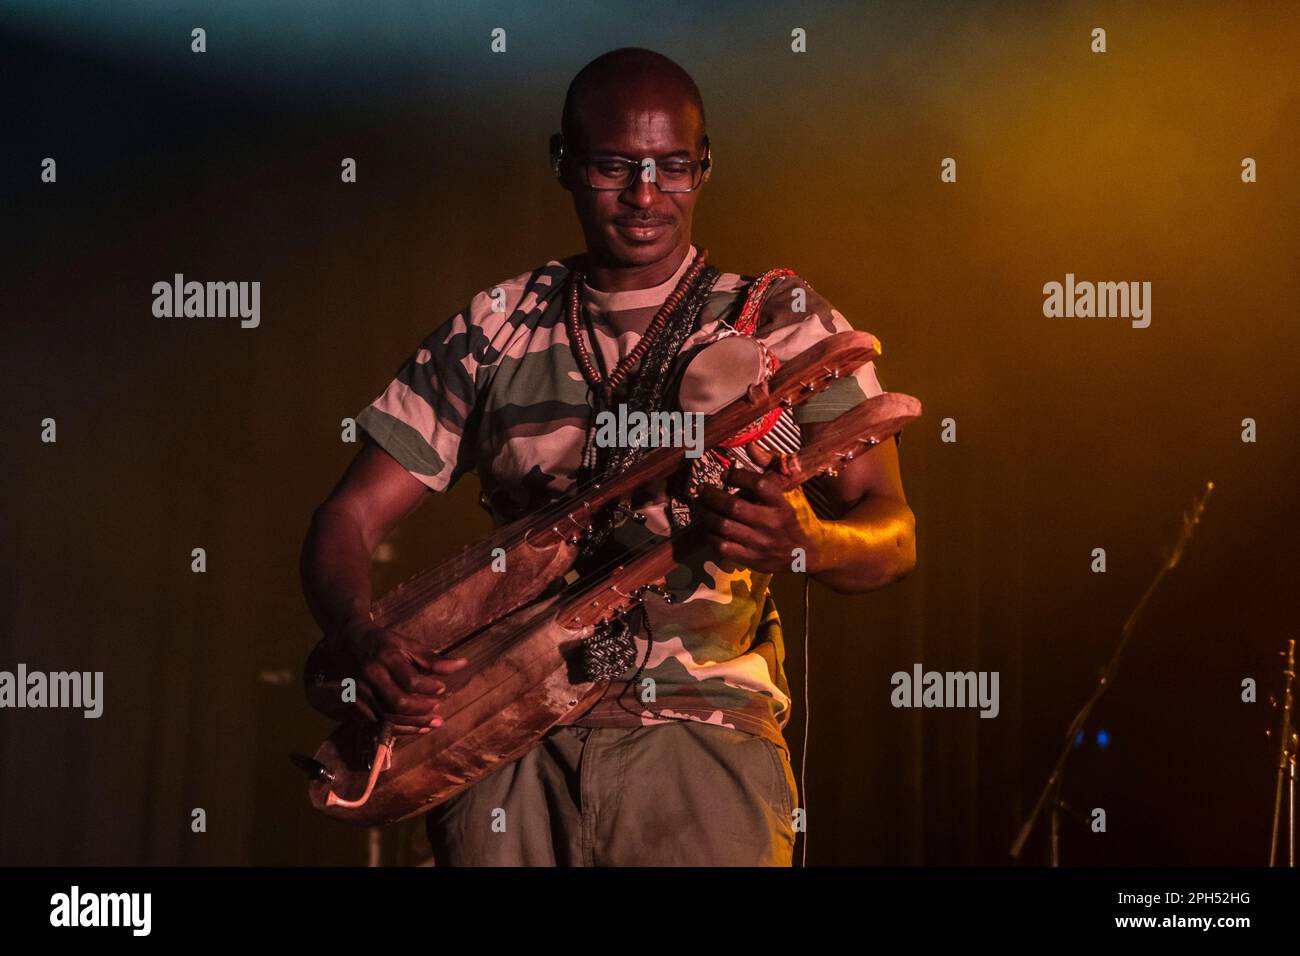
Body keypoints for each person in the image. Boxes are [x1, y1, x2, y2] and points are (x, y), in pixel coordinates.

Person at [299, 47, 916, 866]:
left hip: (699, 736)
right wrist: (359, 633)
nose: (646, 194)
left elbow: (895, 533)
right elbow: (347, 514)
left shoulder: (780, 320)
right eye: (615, 166)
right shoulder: (497, 324)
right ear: (565, 163)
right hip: (498, 741)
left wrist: (811, 543)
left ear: (705, 166)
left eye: (673, 168)